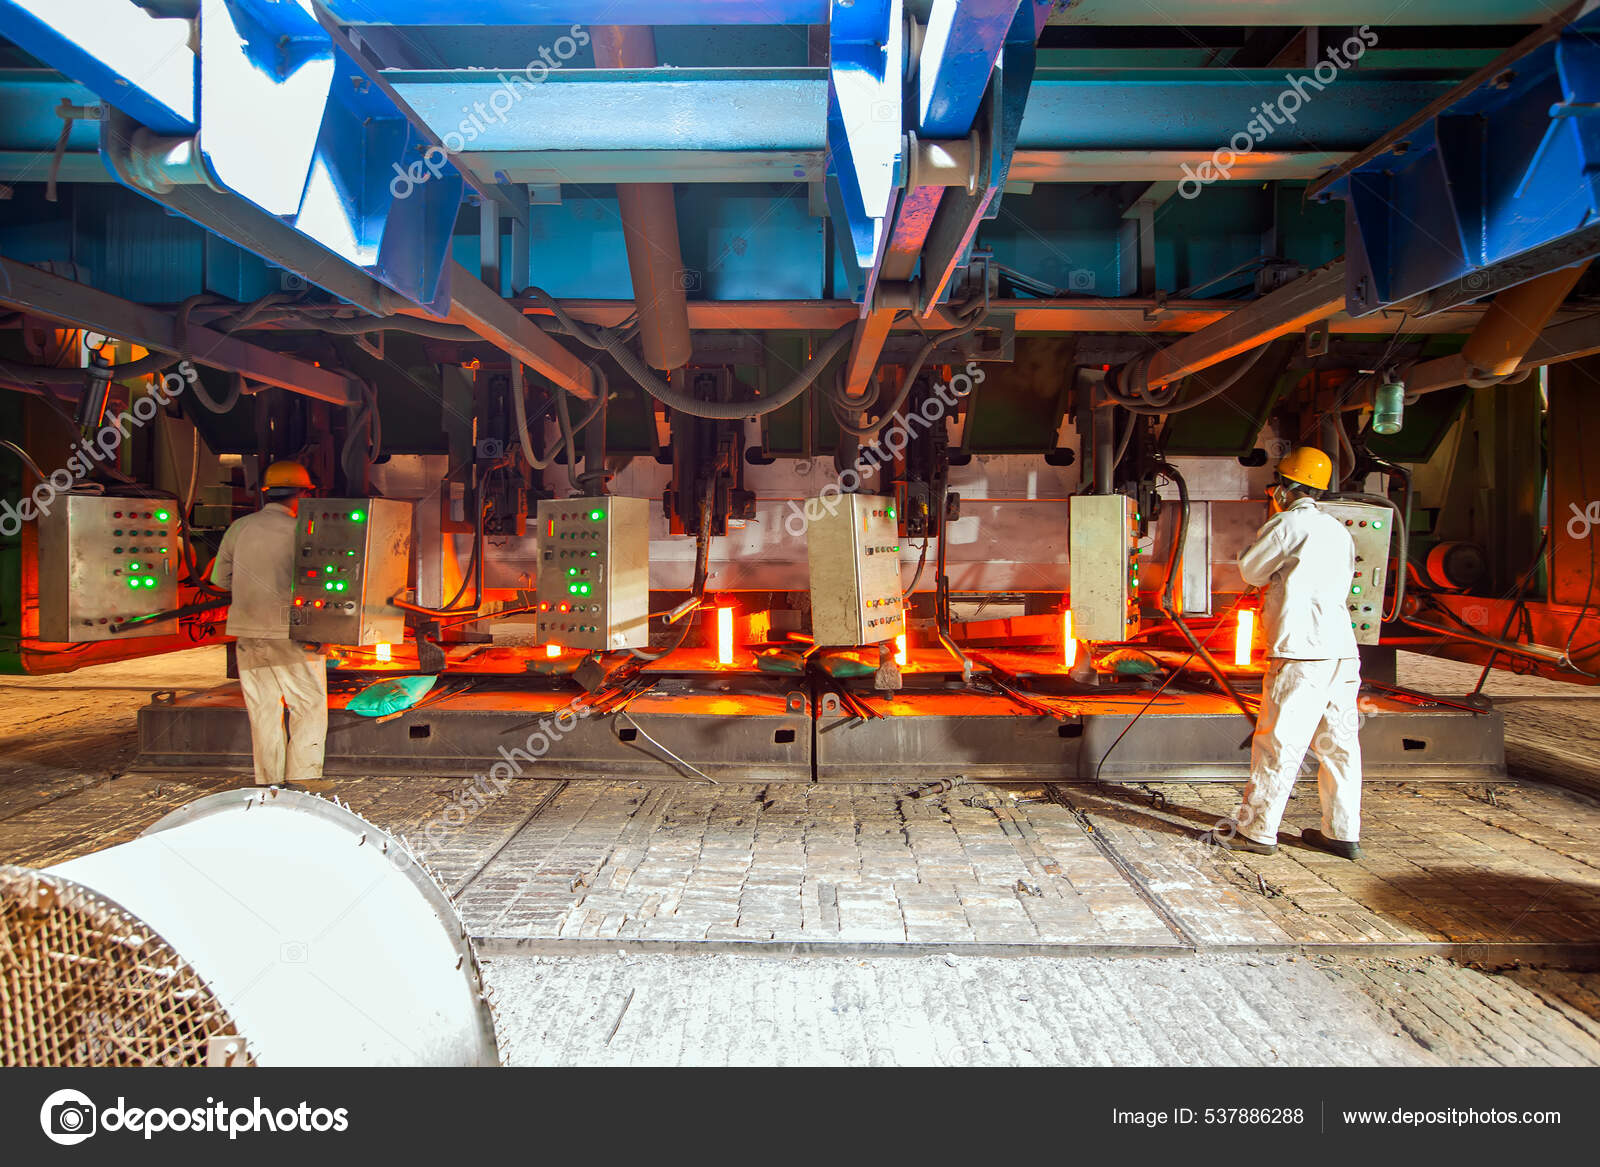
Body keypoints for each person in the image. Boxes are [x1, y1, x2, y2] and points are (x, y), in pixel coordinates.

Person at [1208, 446, 1365, 860]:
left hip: (1301, 653)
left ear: (1286, 488)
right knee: (1339, 745)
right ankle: (1342, 833)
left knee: (1279, 743)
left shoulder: (1288, 523)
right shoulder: (1337, 530)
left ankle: (1257, 831)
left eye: (1276, 484)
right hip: (1341, 653)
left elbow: (1252, 571)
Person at [210, 460, 327, 788]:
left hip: (247, 632)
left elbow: (220, 579)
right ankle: (303, 779)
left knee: (263, 709)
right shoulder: (303, 530)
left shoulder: (240, 528)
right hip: (290, 631)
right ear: (303, 493)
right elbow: (317, 583)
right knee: (307, 704)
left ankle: (268, 782)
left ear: (267, 493)